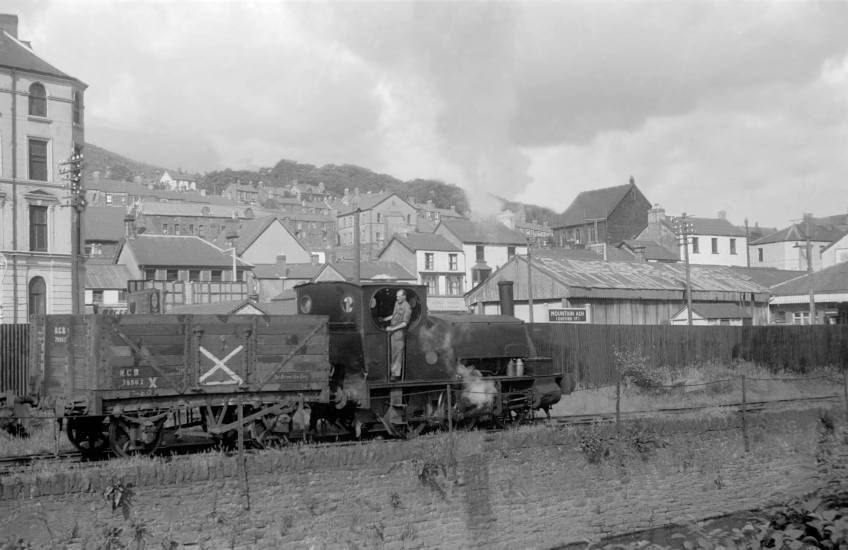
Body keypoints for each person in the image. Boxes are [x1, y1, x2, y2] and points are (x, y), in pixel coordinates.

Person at [383, 289, 412, 380]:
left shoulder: (407, 307)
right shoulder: (397, 303)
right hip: (393, 331)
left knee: (397, 354)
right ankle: (391, 372)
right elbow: (394, 315)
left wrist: (392, 329)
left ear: (404, 296)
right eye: (397, 296)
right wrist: (385, 319)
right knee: (392, 353)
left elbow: (404, 323)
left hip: (399, 333)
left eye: (399, 296)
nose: (397, 298)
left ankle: (395, 375)